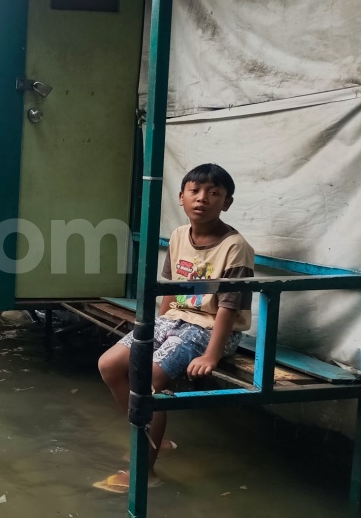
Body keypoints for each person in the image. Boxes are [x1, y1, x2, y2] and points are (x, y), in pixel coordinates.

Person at [95, 163, 254, 493]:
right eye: (194, 191)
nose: (202, 198)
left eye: (214, 193)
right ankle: (154, 437)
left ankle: (144, 471)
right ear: (181, 197)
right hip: (175, 319)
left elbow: (228, 307)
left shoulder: (235, 247)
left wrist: (211, 356)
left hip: (211, 328)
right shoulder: (180, 235)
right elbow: (169, 288)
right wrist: (157, 325)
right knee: (108, 364)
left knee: (149, 381)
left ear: (227, 202)